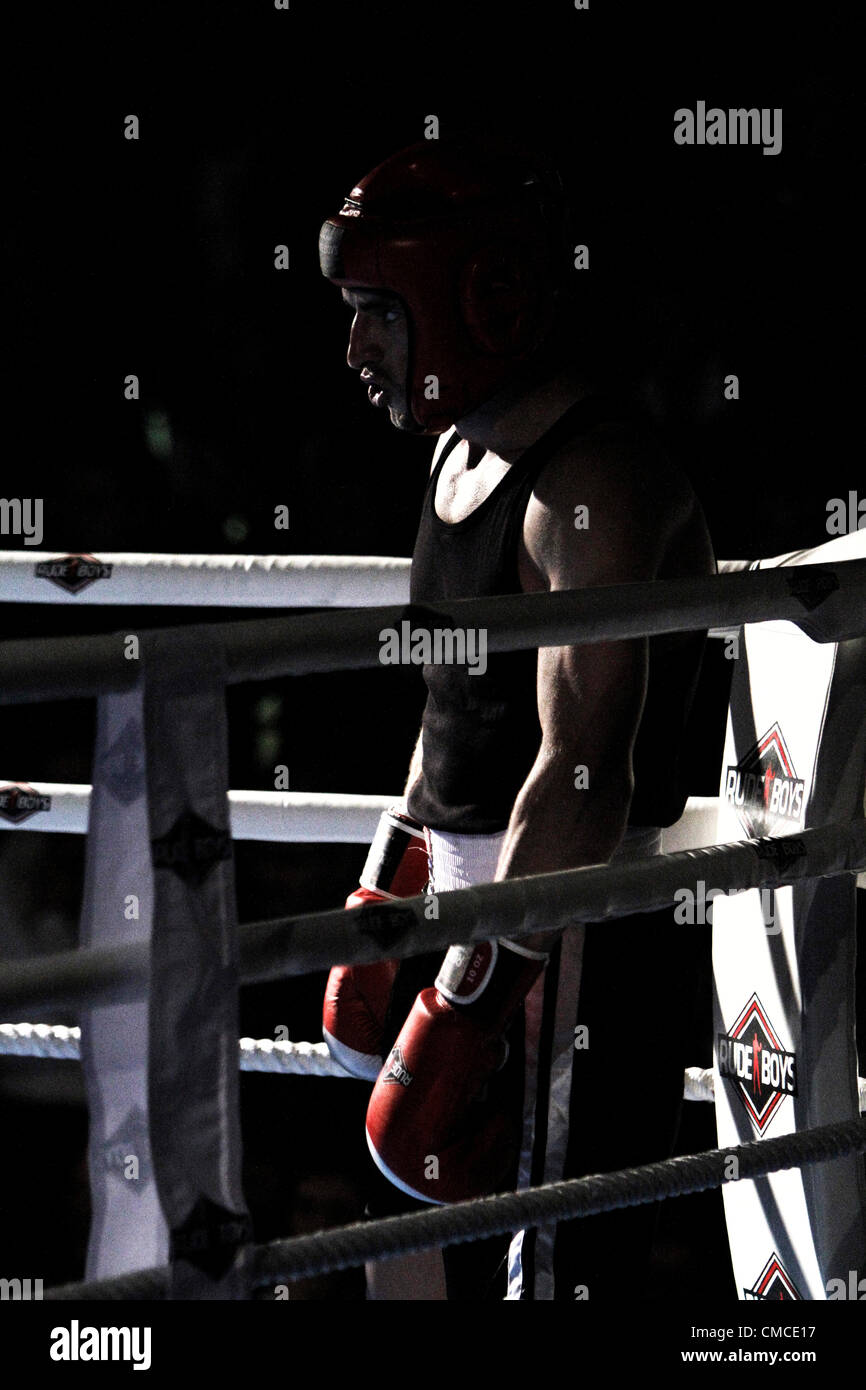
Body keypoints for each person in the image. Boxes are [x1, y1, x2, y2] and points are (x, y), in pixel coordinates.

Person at [319, 136, 716, 1300]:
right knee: (412, 1233)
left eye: (378, 316)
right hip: (476, 900)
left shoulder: (587, 482)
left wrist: (480, 984)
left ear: (470, 300)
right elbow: (455, 696)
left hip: (566, 919)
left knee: (553, 1260)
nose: (354, 351)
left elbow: (583, 765)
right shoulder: (459, 450)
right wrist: (396, 859)